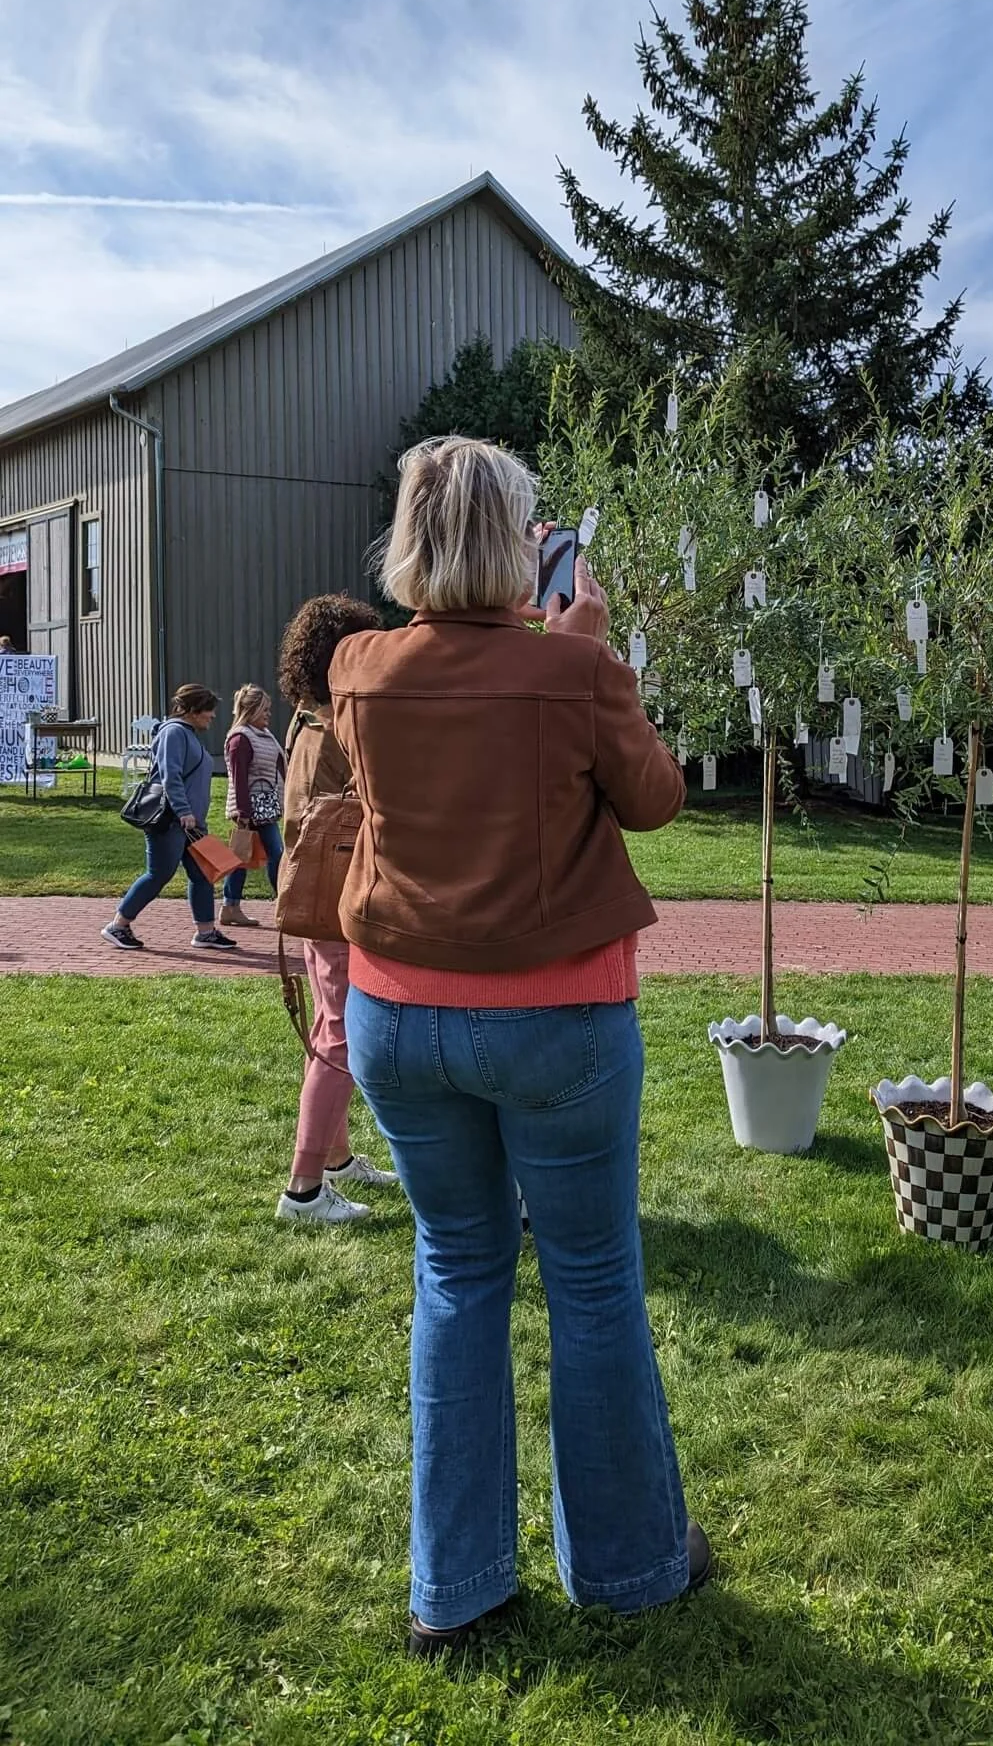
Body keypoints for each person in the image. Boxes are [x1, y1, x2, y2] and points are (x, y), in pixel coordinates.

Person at [331, 434, 711, 1657]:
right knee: (593, 1278)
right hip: (558, 1013)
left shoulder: (356, 668)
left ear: (409, 539)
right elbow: (654, 798)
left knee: (456, 1271)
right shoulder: (572, 668)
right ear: (519, 541)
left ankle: (457, 1586)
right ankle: (632, 1566)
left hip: (400, 1011)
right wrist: (594, 649)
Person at [273, 596, 401, 1226]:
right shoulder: (339, 728)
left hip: (313, 891)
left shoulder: (305, 724)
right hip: (338, 899)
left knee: (328, 1029)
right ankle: (302, 1187)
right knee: (339, 1038)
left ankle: (334, 1160)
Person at [102, 684, 236, 952]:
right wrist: (184, 810)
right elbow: (170, 775)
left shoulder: (187, 733)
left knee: (202, 875)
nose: (212, 716)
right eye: (209, 710)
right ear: (194, 710)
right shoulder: (174, 733)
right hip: (172, 821)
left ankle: (206, 932)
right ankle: (118, 925)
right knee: (159, 874)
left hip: (189, 824)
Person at [220, 682, 286, 927]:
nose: (269, 714)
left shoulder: (264, 735)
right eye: (265, 709)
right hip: (252, 810)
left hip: (266, 806)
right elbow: (239, 780)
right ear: (253, 710)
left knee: (241, 857)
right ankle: (283, 902)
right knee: (275, 855)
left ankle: (230, 905)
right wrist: (243, 813)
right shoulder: (240, 739)